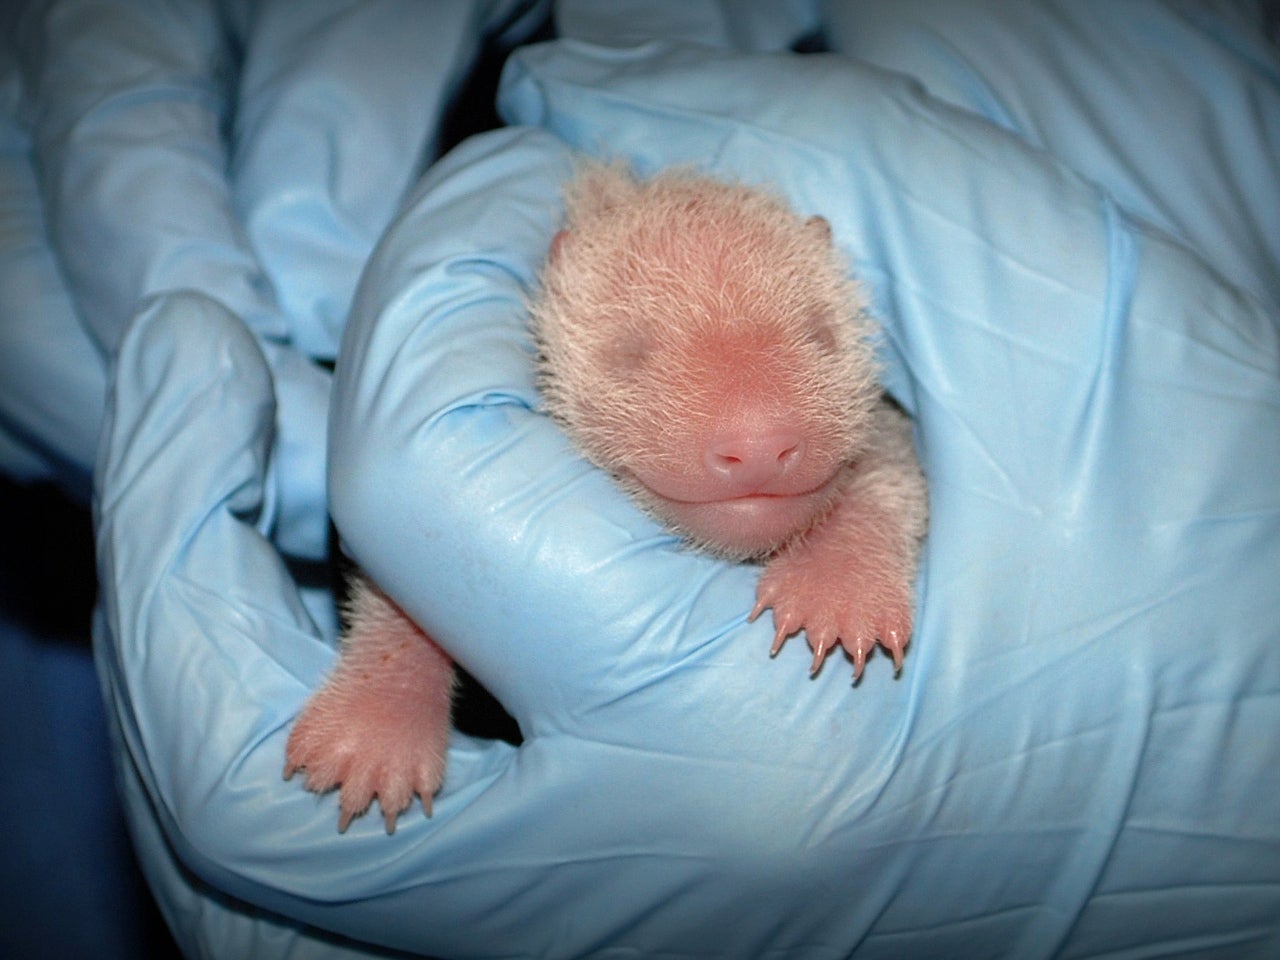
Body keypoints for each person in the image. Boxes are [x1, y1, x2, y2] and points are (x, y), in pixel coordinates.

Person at [4, 2, 1279, 956]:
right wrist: (395, 677)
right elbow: (428, 561)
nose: (759, 431)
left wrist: (851, 544)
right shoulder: (509, 368)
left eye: (816, 342)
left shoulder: (878, 363)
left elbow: (889, 456)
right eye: (631, 354)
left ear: (852, 291)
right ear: (550, 299)